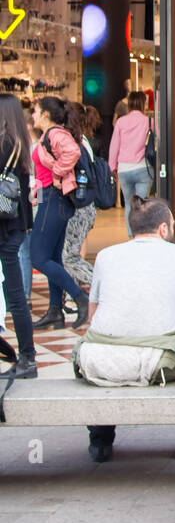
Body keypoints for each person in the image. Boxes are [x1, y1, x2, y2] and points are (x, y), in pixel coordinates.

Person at [76, 195, 175, 462]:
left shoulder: (105, 256)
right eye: (172, 223)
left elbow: (93, 315)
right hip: (160, 364)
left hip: (98, 361)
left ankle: (100, 439)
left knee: (88, 345)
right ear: (163, 229)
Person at [31, 97, 88, 330]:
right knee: (52, 257)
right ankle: (55, 310)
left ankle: (80, 298)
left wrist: (57, 171)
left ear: (45, 114)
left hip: (54, 199)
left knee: (38, 257)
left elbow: (73, 152)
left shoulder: (55, 133)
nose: (32, 115)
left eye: (35, 111)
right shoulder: (50, 135)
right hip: (51, 199)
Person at [0, 92, 35, 376]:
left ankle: (27, 357)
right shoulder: (21, 144)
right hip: (15, 226)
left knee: (14, 297)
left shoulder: (3, 146)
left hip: (4, 227)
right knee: (14, 296)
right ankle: (26, 356)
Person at [62, 104, 102, 292]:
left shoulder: (75, 144)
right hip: (84, 205)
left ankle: (105, 287)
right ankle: (72, 296)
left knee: (69, 257)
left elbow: (80, 177)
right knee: (69, 254)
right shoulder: (82, 141)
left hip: (80, 205)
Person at [108, 90, 153, 236]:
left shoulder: (121, 122)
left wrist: (112, 166)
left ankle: (131, 235)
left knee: (128, 203)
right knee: (141, 204)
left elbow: (114, 145)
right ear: (143, 104)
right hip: (142, 168)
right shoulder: (149, 121)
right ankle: (142, 234)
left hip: (124, 169)